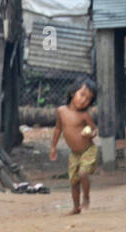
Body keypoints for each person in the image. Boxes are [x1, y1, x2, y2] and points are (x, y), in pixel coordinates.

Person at [49, 79, 99, 214]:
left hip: (88, 151)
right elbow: (58, 129)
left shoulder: (85, 115)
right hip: (74, 154)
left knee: (83, 173)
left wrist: (90, 134)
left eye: (88, 99)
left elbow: (94, 130)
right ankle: (76, 207)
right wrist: (53, 147)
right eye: (82, 95)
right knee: (74, 182)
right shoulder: (61, 111)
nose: (83, 100)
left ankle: (86, 197)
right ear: (72, 93)